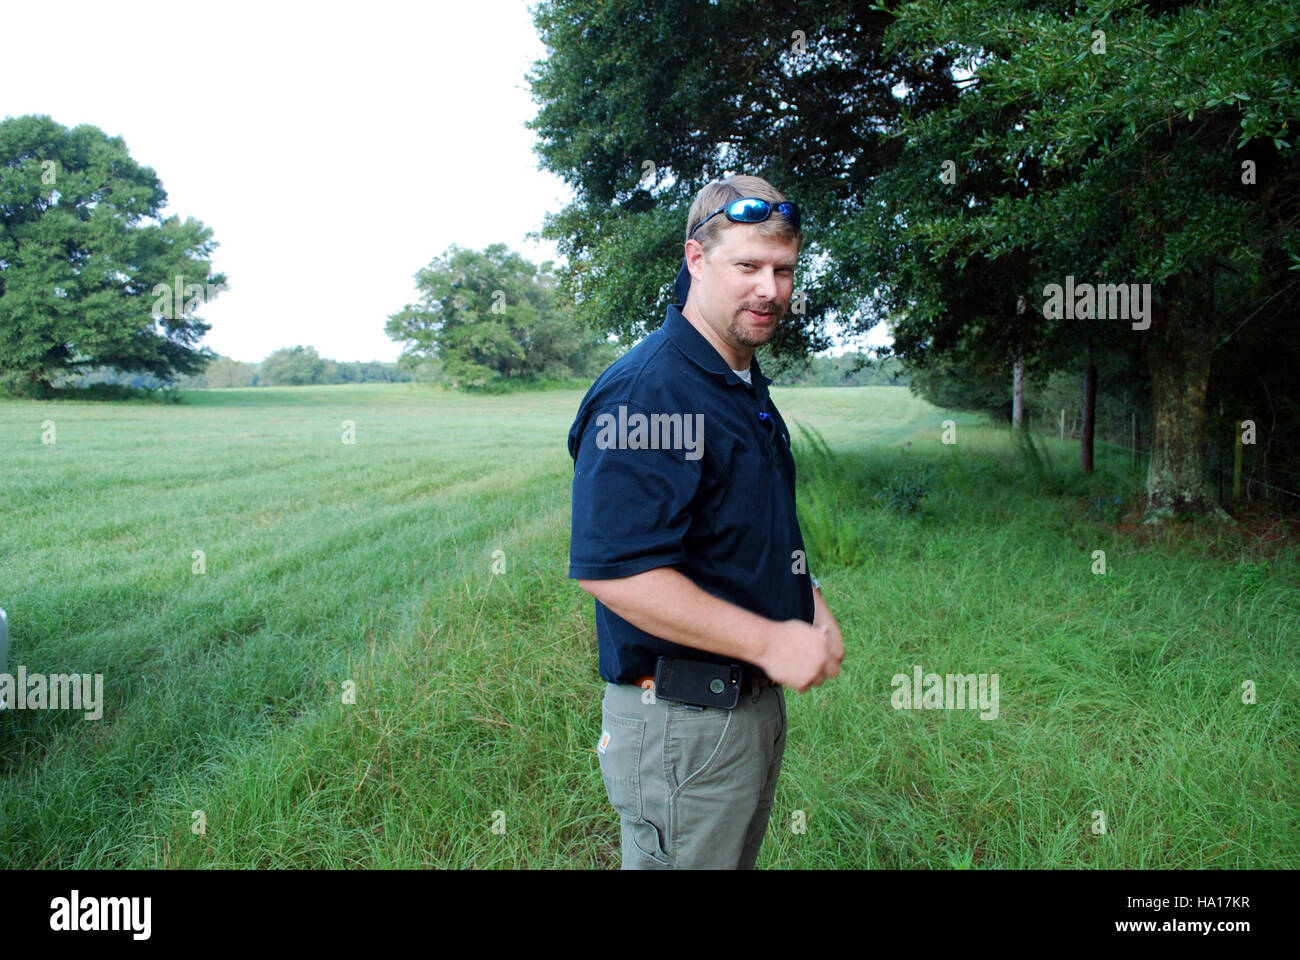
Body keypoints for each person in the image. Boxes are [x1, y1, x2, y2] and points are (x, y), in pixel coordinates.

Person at [567, 174, 846, 869]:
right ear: (696, 259)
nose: (770, 290)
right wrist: (771, 640)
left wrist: (808, 599)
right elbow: (618, 573)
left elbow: (748, 523)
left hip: (743, 713)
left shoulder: (736, 379)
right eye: (747, 266)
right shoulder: (650, 393)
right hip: (682, 727)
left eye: (784, 270)